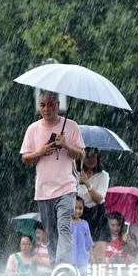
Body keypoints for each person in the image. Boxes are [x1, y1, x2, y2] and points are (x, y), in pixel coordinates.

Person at [20, 90, 85, 266]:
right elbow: (25, 158)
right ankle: (56, 267)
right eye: (43, 105)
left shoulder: (71, 126)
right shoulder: (33, 129)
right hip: (43, 190)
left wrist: (66, 145)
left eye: (50, 104)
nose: (47, 109)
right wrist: (40, 152)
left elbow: (81, 154)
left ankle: (64, 265)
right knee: (51, 232)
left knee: (64, 227)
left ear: (57, 105)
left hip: (66, 187)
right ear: (39, 106)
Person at [77, 147, 110, 263]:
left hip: (98, 214)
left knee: (99, 258)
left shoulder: (103, 175)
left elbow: (98, 199)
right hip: (80, 215)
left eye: (94, 157)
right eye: (87, 157)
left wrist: (87, 183)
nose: (91, 160)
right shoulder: (75, 174)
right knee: (86, 257)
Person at [71, 196, 93, 272]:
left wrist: (92, 256)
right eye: (75, 208)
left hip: (83, 259)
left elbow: (89, 241)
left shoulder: (85, 224)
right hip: (70, 259)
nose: (77, 211)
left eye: (80, 208)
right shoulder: (67, 224)